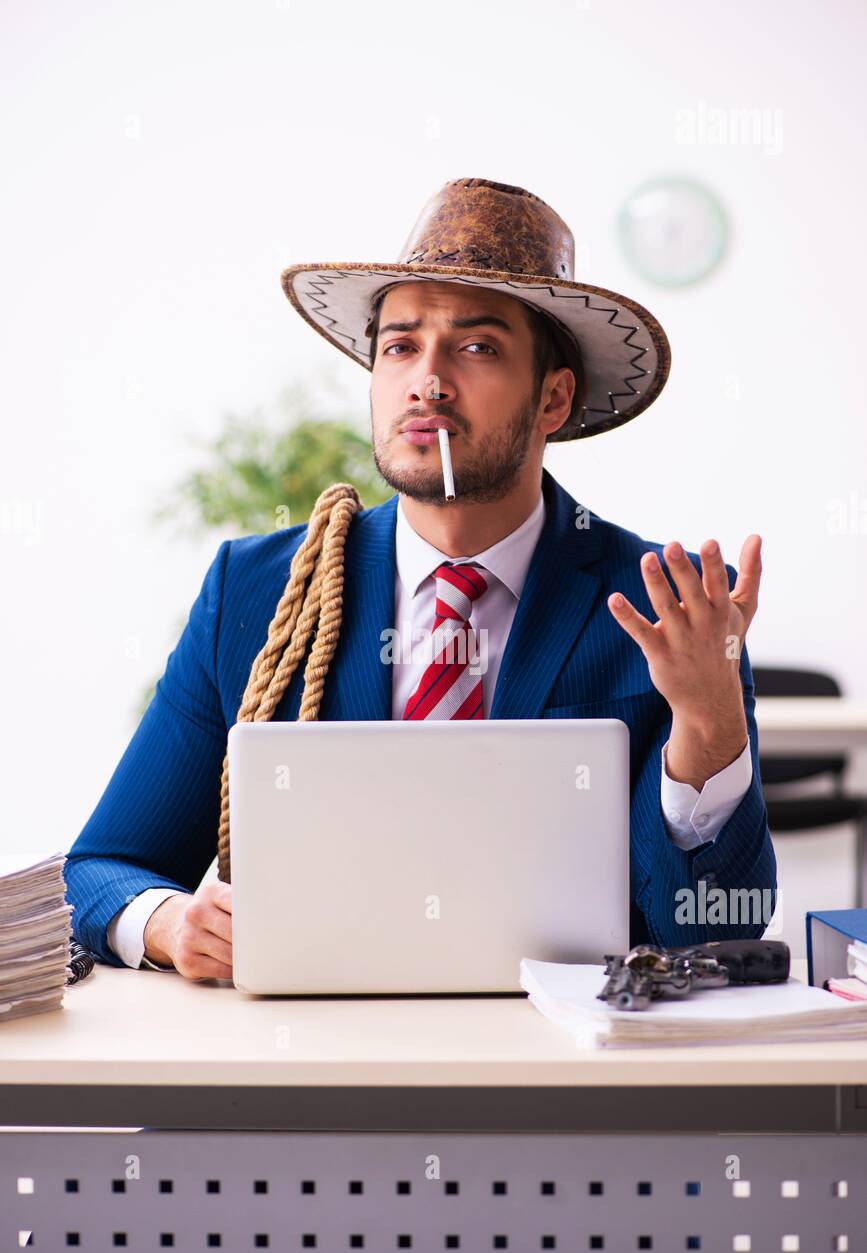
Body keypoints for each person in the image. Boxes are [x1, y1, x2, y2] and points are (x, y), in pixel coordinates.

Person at [65, 177, 776, 980]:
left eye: (476, 348)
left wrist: (710, 732)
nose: (427, 380)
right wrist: (163, 923)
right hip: (311, 1073)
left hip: (566, 1078)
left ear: (553, 398)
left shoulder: (669, 607)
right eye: (400, 346)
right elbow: (100, 870)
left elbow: (719, 926)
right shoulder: (254, 592)